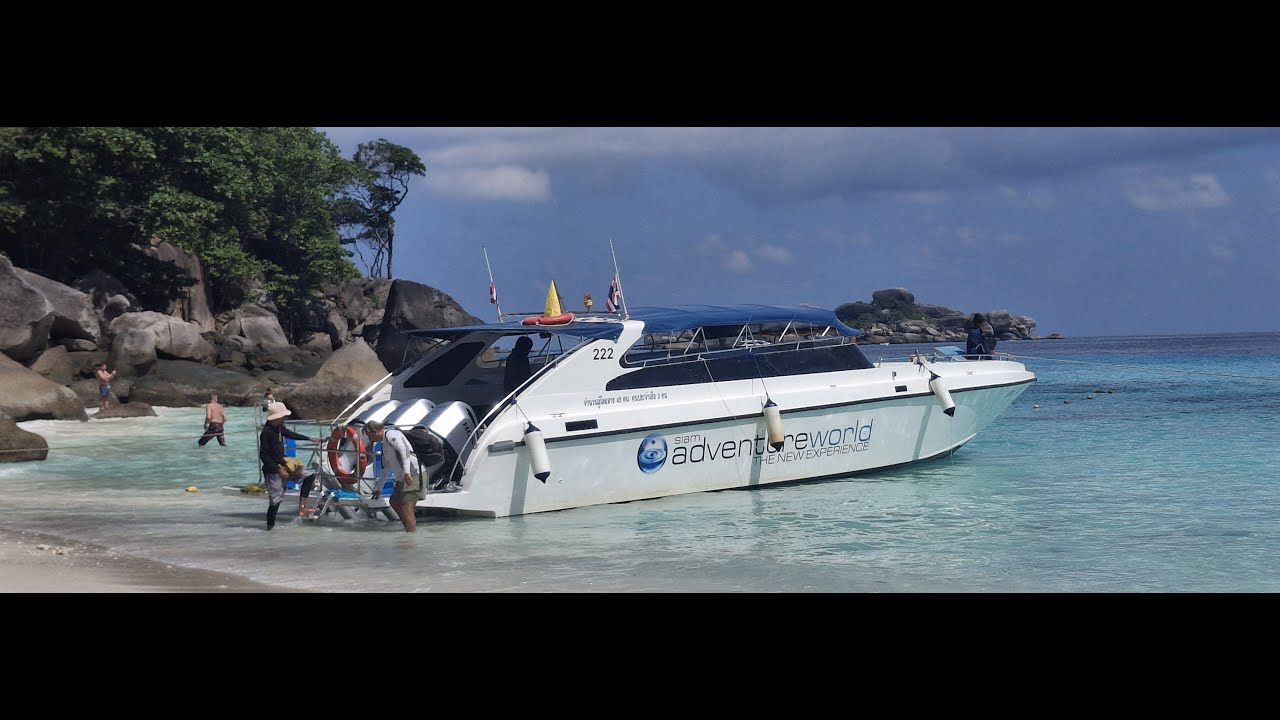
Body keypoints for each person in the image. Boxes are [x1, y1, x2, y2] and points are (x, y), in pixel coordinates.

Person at [258, 402, 323, 530]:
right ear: (276, 417)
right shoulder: (266, 432)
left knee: (309, 476)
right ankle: (269, 529)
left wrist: (309, 438)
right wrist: (279, 469)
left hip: (284, 464)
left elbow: (290, 434)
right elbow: (263, 455)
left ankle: (302, 509)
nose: (286, 418)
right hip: (272, 470)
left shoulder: (279, 427)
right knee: (275, 501)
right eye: (284, 416)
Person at [361, 420, 420, 533]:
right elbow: (384, 470)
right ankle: (408, 530)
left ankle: (411, 536)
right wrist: (378, 489)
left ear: (375, 431)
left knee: (406, 506)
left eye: (369, 435)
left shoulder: (391, 435)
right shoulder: (384, 445)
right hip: (401, 478)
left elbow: (404, 450)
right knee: (394, 501)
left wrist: (407, 472)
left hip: (413, 474)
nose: (369, 439)